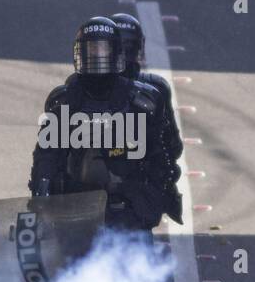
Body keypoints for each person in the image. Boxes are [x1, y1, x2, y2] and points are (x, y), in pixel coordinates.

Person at [30, 18, 175, 233]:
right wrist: (42, 193)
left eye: (103, 50)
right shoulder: (64, 100)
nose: (97, 57)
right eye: (92, 50)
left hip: (127, 209)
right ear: (81, 54)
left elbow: (160, 160)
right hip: (73, 208)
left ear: (116, 53)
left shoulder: (143, 102)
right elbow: (47, 156)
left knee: (139, 263)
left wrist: (151, 203)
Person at [112, 13, 184, 223]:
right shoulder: (78, 88)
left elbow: (170, 147)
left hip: (133, 196)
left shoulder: (155, 88)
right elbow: (173, 146)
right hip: (94, 194)